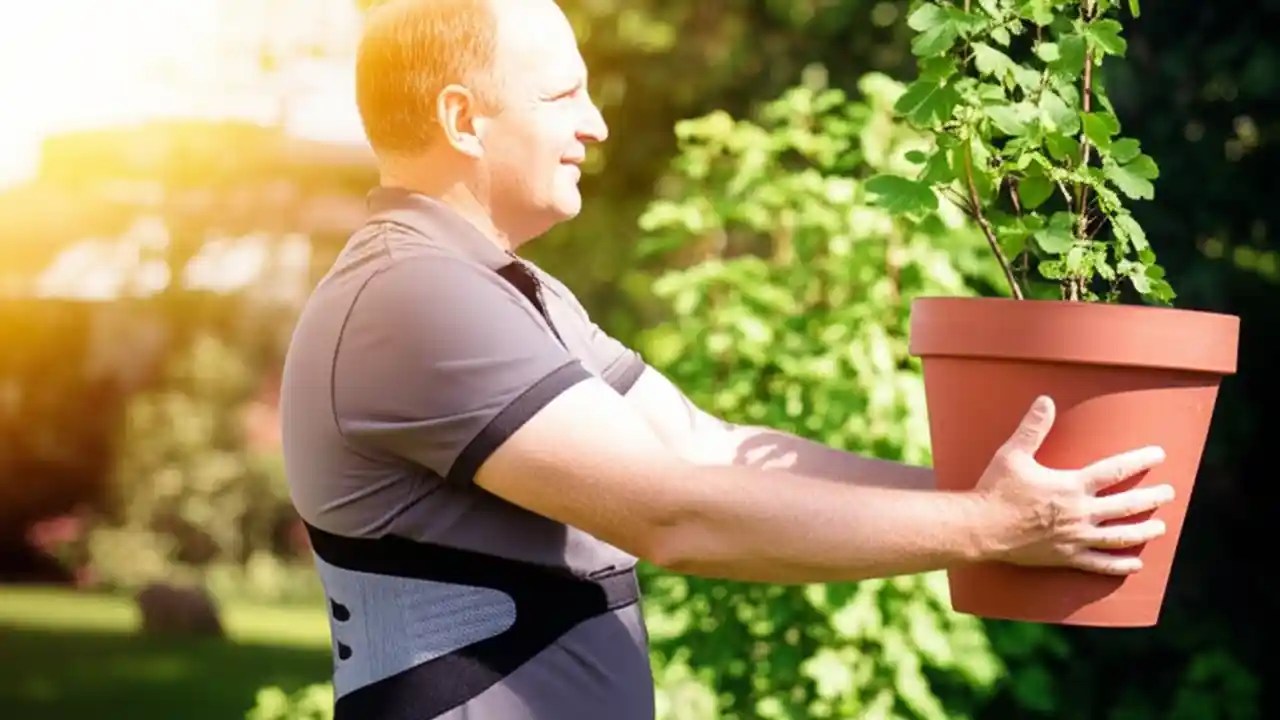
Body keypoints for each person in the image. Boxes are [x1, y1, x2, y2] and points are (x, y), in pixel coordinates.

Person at [278, 0, 1175, 718]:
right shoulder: (414, 302)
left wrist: (991, 500)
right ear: (461, 119)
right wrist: (988, 529)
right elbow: (676, 516)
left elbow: (710, 446)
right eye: (562, 97)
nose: (594, 124)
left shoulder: (508, 291)